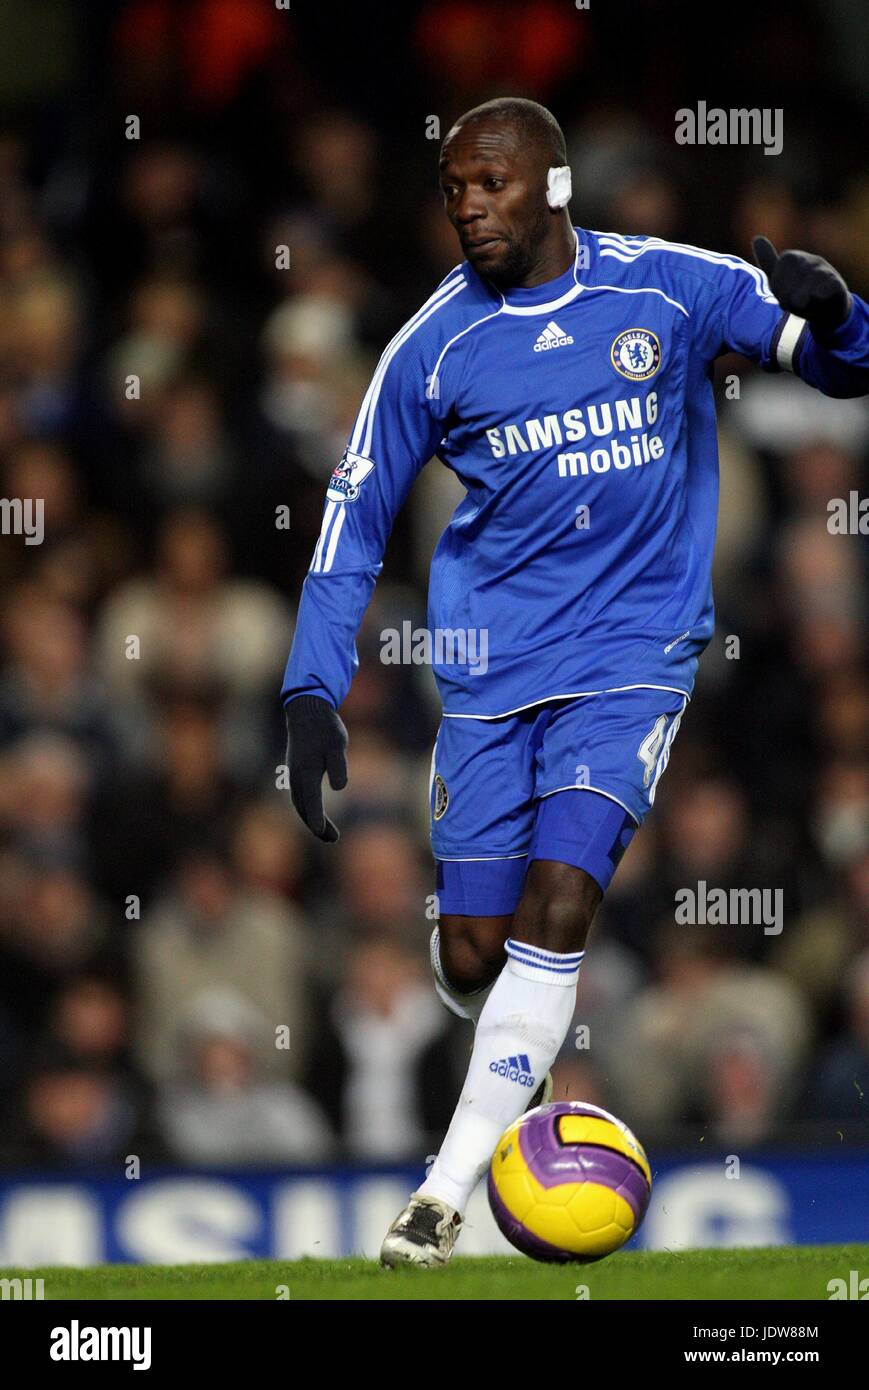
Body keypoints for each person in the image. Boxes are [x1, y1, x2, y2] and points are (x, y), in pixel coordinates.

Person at [281, 97, 869, 1266]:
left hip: (632, 654)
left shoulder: (670, 286)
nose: (468, 207)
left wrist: (838, 311)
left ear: (551, 186)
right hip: (489, 668)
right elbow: (352, 525)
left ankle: (438, 1197)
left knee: (561, 901)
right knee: (471, 950)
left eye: (489, 184)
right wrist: (308, 690)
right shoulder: (431, 346)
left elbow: (842, 369)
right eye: (453, 189)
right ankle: (520, 1049)